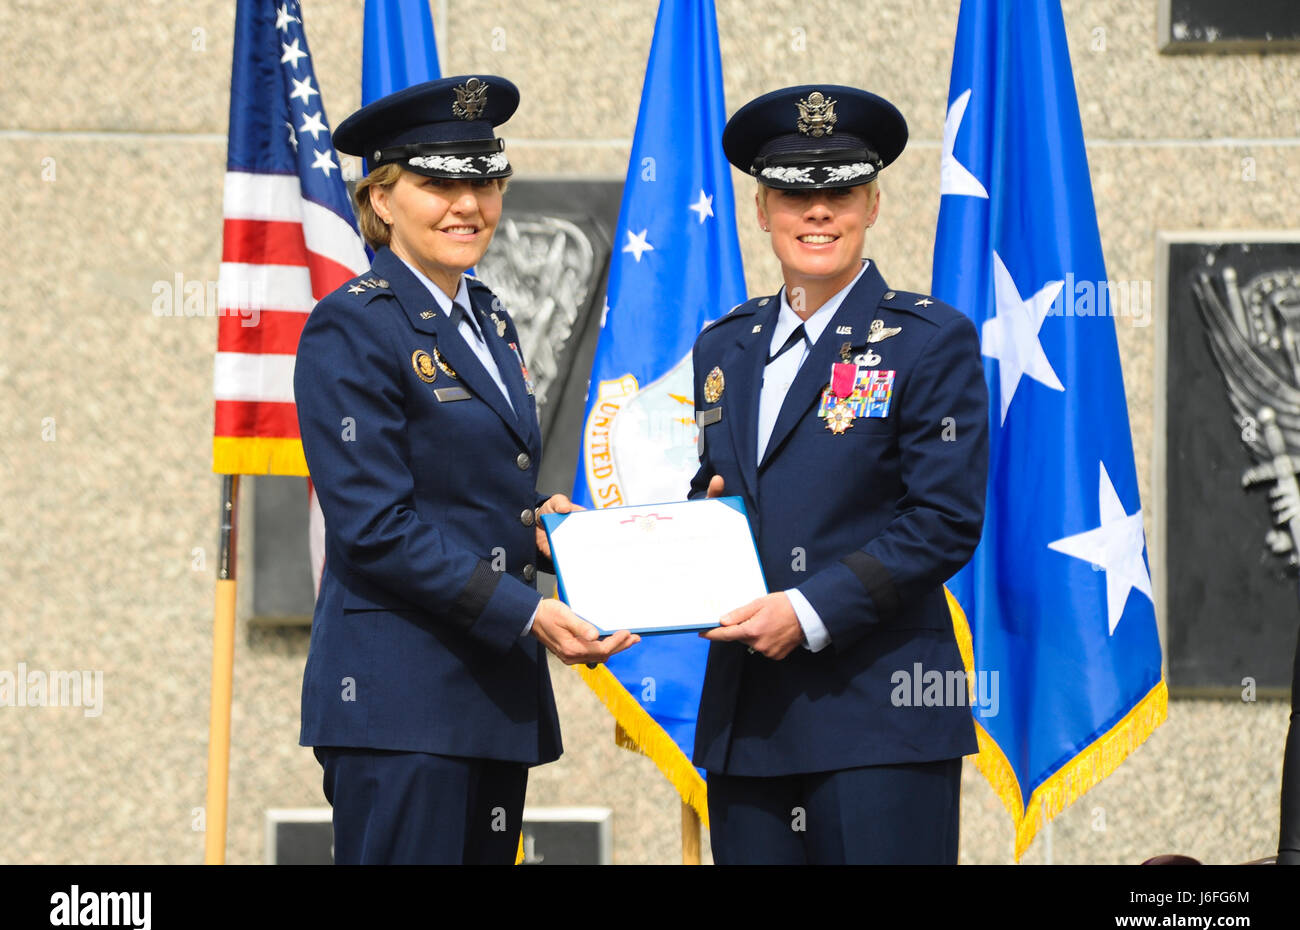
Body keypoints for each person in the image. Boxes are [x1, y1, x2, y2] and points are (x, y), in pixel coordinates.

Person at [293, 75, 638, 865]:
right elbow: (377, 527)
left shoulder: (486, 318)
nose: (467, 204)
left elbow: (468, 491)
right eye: (437, 182)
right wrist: (527, 611)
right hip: (401, 706)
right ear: (382, 199)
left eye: (483, 180)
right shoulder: (353, 325)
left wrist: (547, 530)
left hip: (483, 699)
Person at [687, 84, 990, 864]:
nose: (816, 212)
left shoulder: (929, 340)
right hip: (748, 722)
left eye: (840, 192)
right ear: (762, 209)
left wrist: (808, 608)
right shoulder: (725, 346)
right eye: (793, 192)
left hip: (878, 717)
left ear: (873, 204)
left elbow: (943, 520)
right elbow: (718, 493)